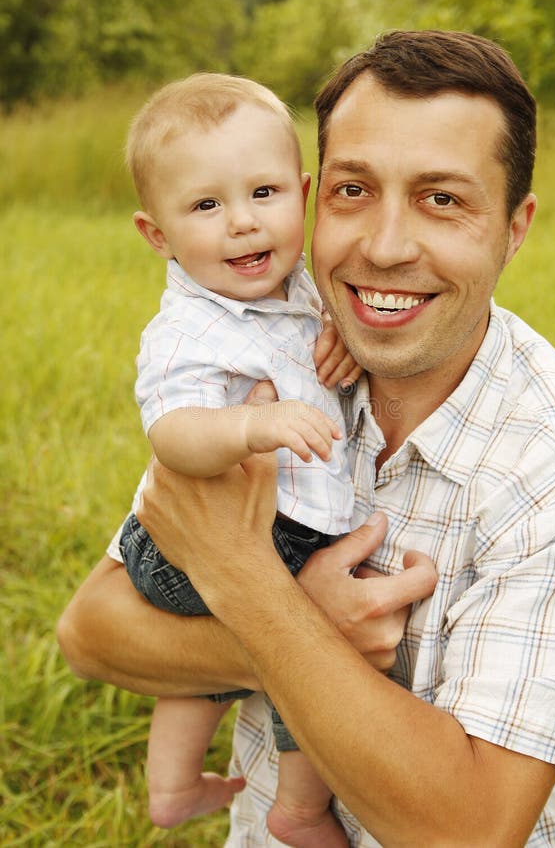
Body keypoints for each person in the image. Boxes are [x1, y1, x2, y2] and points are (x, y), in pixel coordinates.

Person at [57, 30, 555, 847]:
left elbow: (470, 830)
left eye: (442, 199)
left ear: (515, 227)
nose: (383, 247)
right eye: (353, 191)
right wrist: (301, 629)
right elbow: (92, 629)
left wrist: (250, 589)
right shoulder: (279, 362)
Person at [107, 72, 363, 844]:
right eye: (207, 205)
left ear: (304, 192)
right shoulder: (190, 330)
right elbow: (173, 434)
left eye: (264, 193)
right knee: (307, 637)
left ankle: (175, 787)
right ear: (159, 235)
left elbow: (321, 341)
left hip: (249, 534)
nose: (244, 225)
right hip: (195, 543)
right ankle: (299, 804)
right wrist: (251, 429)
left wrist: (345, 338)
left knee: (219, 659)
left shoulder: (300, 290)